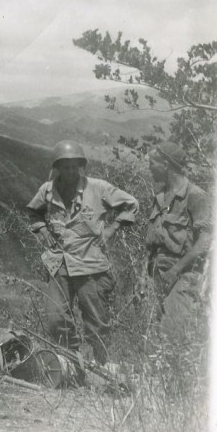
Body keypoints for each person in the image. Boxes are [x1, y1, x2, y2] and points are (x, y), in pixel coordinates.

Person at [26, 140, 138, 365]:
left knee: (97, 323)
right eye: (64, 166)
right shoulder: (47, 191)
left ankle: (103, 367)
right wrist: (43, 231)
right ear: (57, 167)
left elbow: (131, 203)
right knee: (56, 318)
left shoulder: (97, 188)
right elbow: (33, 213)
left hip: (90, 265)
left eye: (73, 166)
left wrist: (111, 229)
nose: (69, 171)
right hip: (59, 264)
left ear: (80, 166)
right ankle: (71, 362)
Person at [145, 141, 211, 345]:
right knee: (153, 335)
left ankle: (174, 376)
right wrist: (144, 275)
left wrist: (175, 270)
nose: (150, 168)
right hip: (157, 274)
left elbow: (204, 242)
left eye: (152, 163)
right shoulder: (160, 196)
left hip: (183, 275)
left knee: (173, 334)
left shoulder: (195, 196)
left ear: (165, 164)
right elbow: (153, 242)